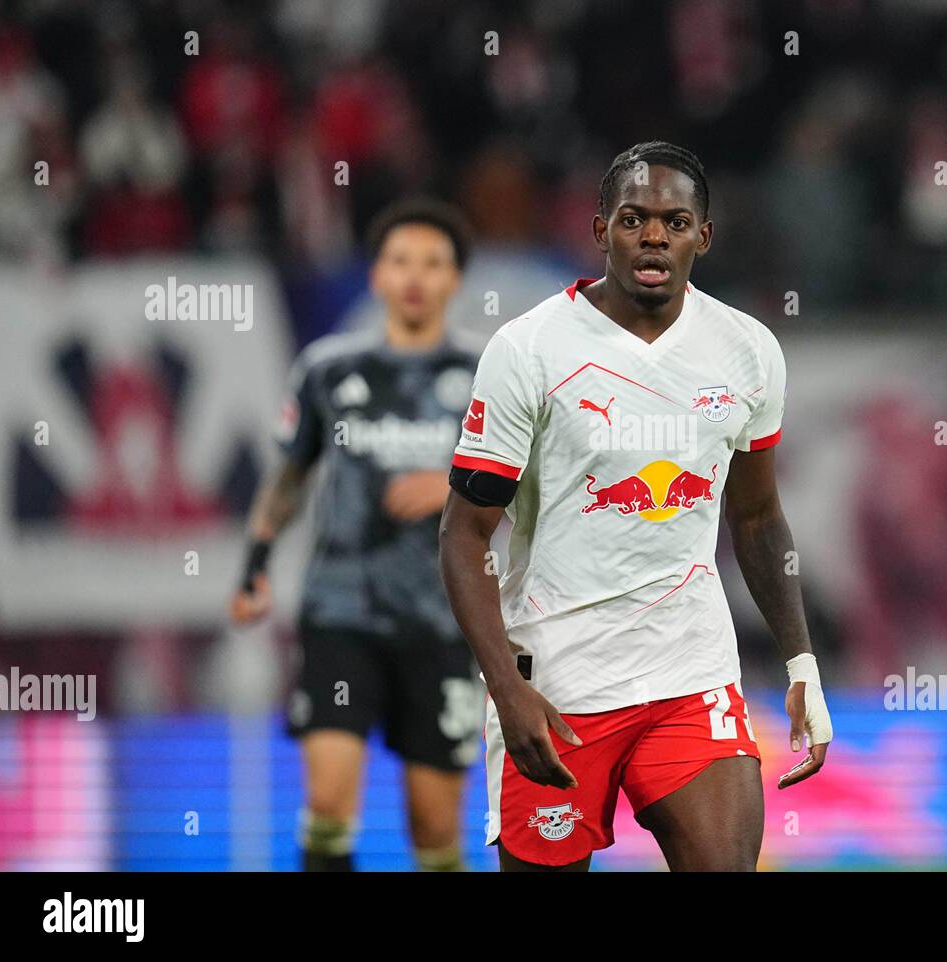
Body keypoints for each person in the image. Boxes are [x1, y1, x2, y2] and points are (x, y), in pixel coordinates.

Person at [439, 142, 832, 872]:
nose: (654, 236)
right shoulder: (528, 350)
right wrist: (506, 689)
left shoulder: (747, 351)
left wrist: (801, 662)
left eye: (675, 221)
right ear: (600, 231)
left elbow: (757, 518)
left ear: (703, 237)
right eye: (634, 219)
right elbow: (463, 535)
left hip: (689, 674)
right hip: (557, 688)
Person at [229, 198, 484, 871]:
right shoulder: (328, 369)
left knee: (434, 830)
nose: (415, 276)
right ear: (375, 275)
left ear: (455, 279)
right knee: (329, 803)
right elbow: (287, 477)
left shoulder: (491, 377)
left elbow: (534, 493)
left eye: (433, 263)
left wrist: (454, 486)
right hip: (341, 612)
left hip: (446, 620)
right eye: (400, 260)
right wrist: (255, 563)